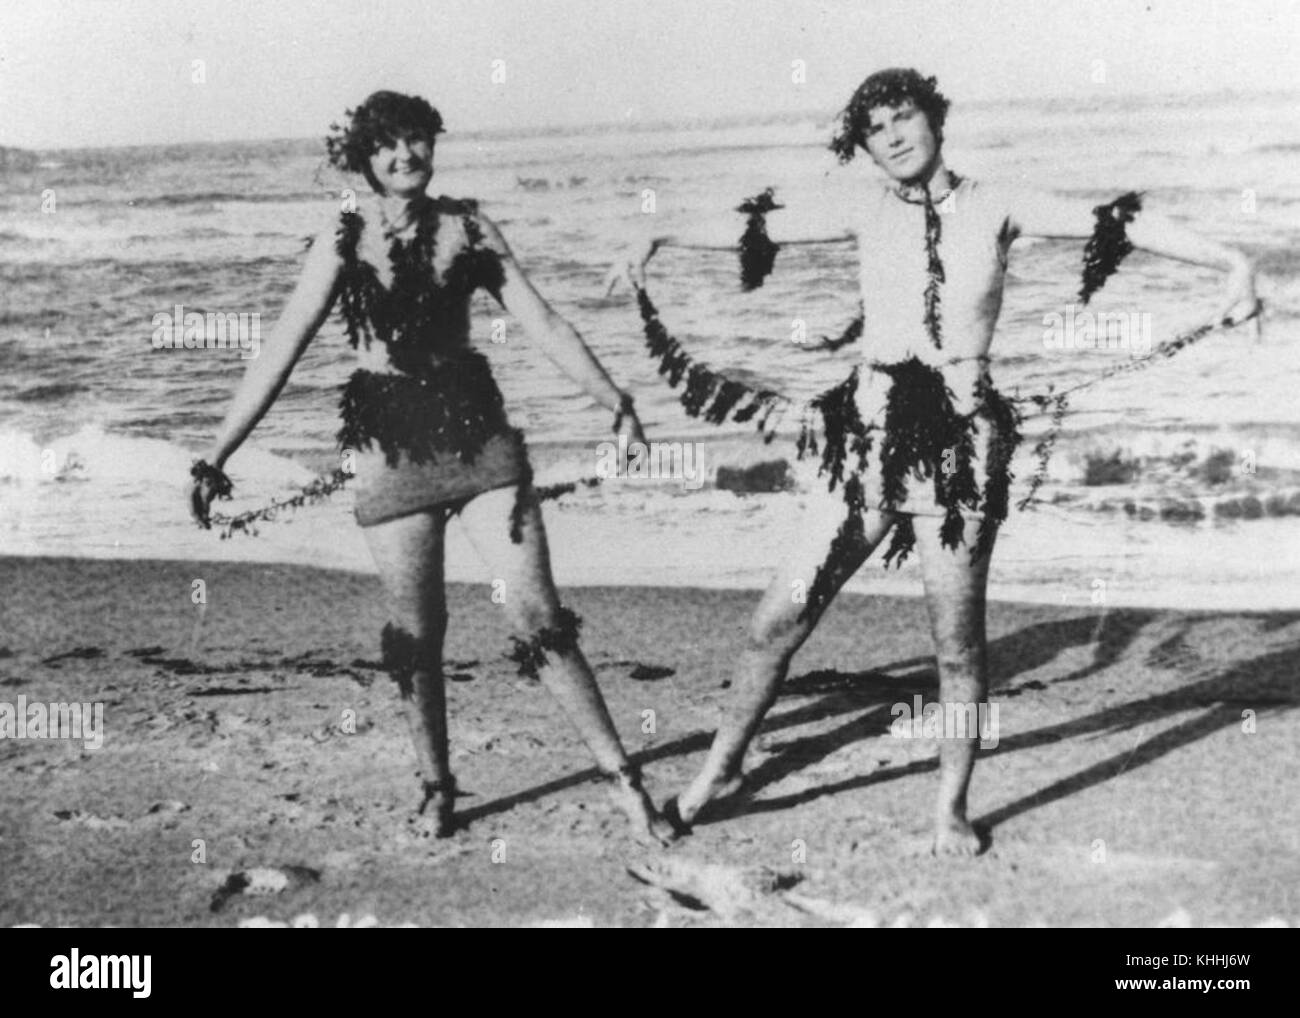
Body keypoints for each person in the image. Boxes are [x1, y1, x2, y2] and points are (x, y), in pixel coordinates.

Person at [613, 68, 1259, 854]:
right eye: (874, 128)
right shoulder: (863, 207)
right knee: (777, 619)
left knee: (956, 646)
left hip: (961, 452)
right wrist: (658, 233)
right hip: (868, 442)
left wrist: (1232, 262)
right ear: (863, 145)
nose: (892, 136)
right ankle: (720, 771)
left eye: (903, 117)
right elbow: (757, 226)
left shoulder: (997, 204)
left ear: (934, 118)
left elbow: (1117, 221)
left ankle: (950, 806)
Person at [191, 90, 670, 845]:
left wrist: (618, 403)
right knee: (418, 634)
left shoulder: (469, 227)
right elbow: (282, 343)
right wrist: (217, 454)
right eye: (386, 144)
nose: (404, 154)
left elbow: (542, 320)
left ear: (433, 145)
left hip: (478, 436)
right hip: (387, 446)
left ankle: (626, 783)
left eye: (416, 138)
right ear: (364, 159)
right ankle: (438, 788)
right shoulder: (343, 238)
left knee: (539, 617)